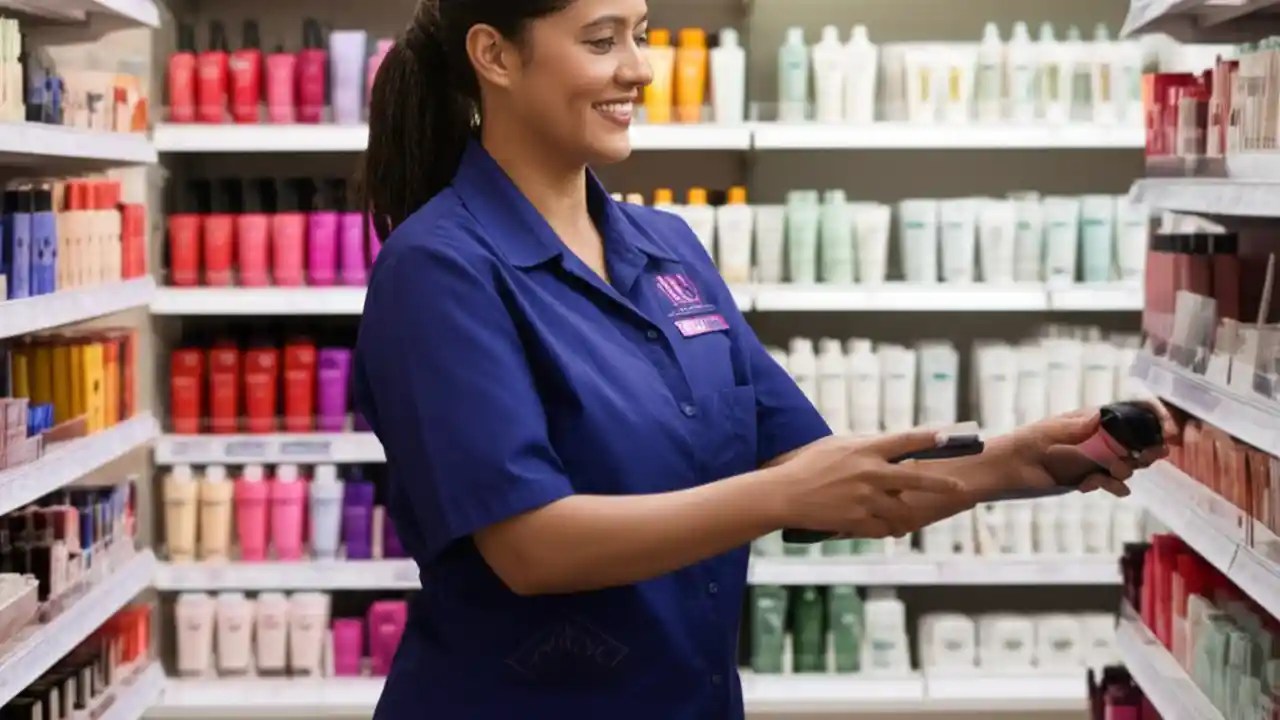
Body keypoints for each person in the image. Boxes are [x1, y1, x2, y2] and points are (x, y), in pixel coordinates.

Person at [353, 1, 1175, 718]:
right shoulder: (442, 268)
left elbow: (820, 483)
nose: (640, 68)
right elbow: (529, 548)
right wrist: (782, 492)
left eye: (642, 34)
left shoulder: (667, 250)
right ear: (494, 55)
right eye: (602, 40)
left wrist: (1018, 461)